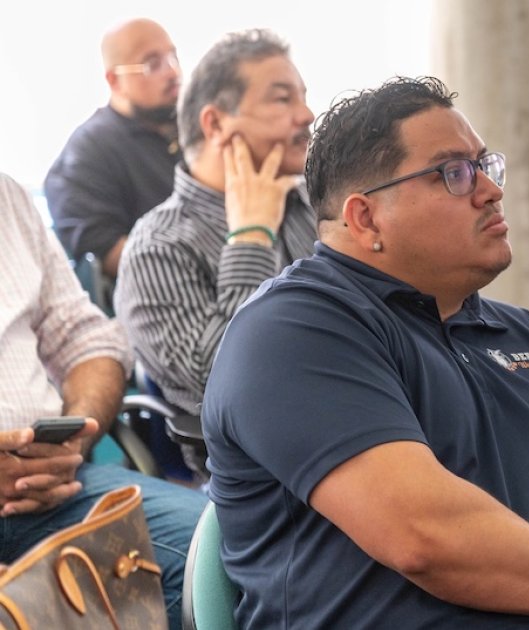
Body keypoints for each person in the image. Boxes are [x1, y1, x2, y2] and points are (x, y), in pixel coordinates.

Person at [201, 76, 529, 629]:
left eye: (485, 166)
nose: (490, 190)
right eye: (454, 173)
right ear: (366, 218)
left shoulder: (528, 339)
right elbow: (425, 535)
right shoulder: (293, 328)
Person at [0, 172, 205, 629]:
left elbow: (88, 340)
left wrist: (72, 436)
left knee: (221, 557)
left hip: (56, 487)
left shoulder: (6, 197)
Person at [114, 29, 317, 417]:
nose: (306, 115)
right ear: (215, 124)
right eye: (282, 99)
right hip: (273, 444)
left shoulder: (317, 200)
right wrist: (251, 239)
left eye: (303, 97)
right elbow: (223, 379)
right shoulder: (157, 246)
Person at [45, 18, 183, 278]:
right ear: (114, 80)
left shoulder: (195, 128)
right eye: (152, 64)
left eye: (173, 57)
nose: (173, 72)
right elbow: (105, 251)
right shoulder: (87, 153)